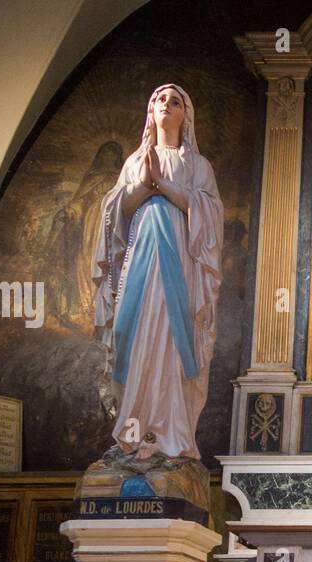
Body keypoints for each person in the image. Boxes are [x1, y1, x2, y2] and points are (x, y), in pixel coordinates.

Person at [92, 84, 223, 461]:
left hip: (180, 269)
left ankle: (170, 434)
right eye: (159, 99)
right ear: (150, 111)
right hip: (139, 265)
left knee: (170, 336)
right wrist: (144, 185)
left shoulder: (198, 166)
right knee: (134, 334)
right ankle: (133, 432)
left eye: (176, 100)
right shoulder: (134, 161)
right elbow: (116, 214)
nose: (166, 104)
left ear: (187, 115)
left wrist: (162, 185)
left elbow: (210, 217)